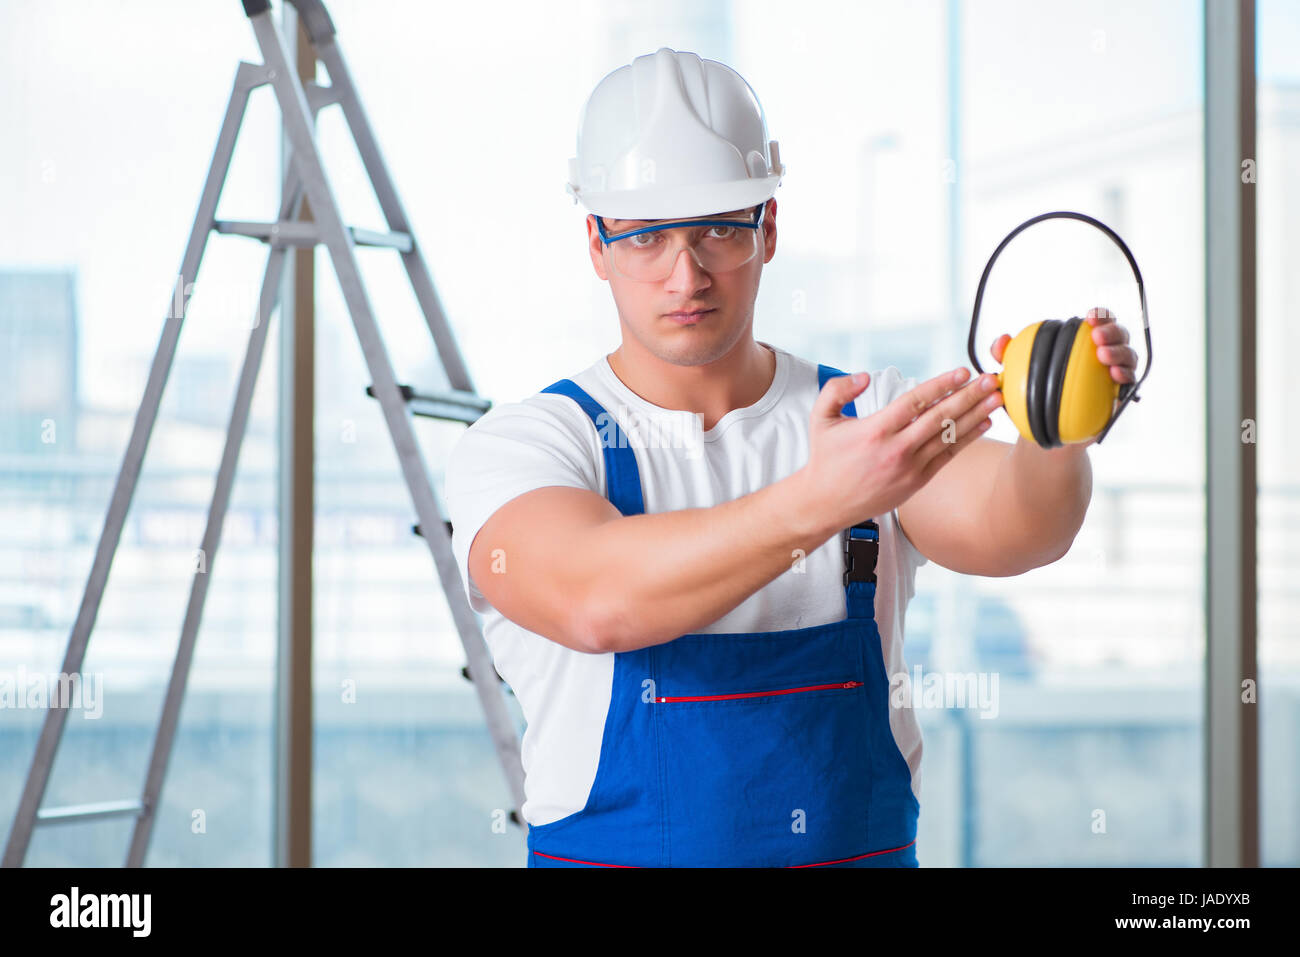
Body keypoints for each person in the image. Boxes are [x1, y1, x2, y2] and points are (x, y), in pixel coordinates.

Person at [444, 47, 1139, 868]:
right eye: (645, 238)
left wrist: (1056, 426)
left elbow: (1018, 530)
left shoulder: (868, 412)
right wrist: (826, 498)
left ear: (768, 229)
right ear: (597, 244)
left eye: (717, 230)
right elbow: (599, 600)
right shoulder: (530, 445)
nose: (686, 274)